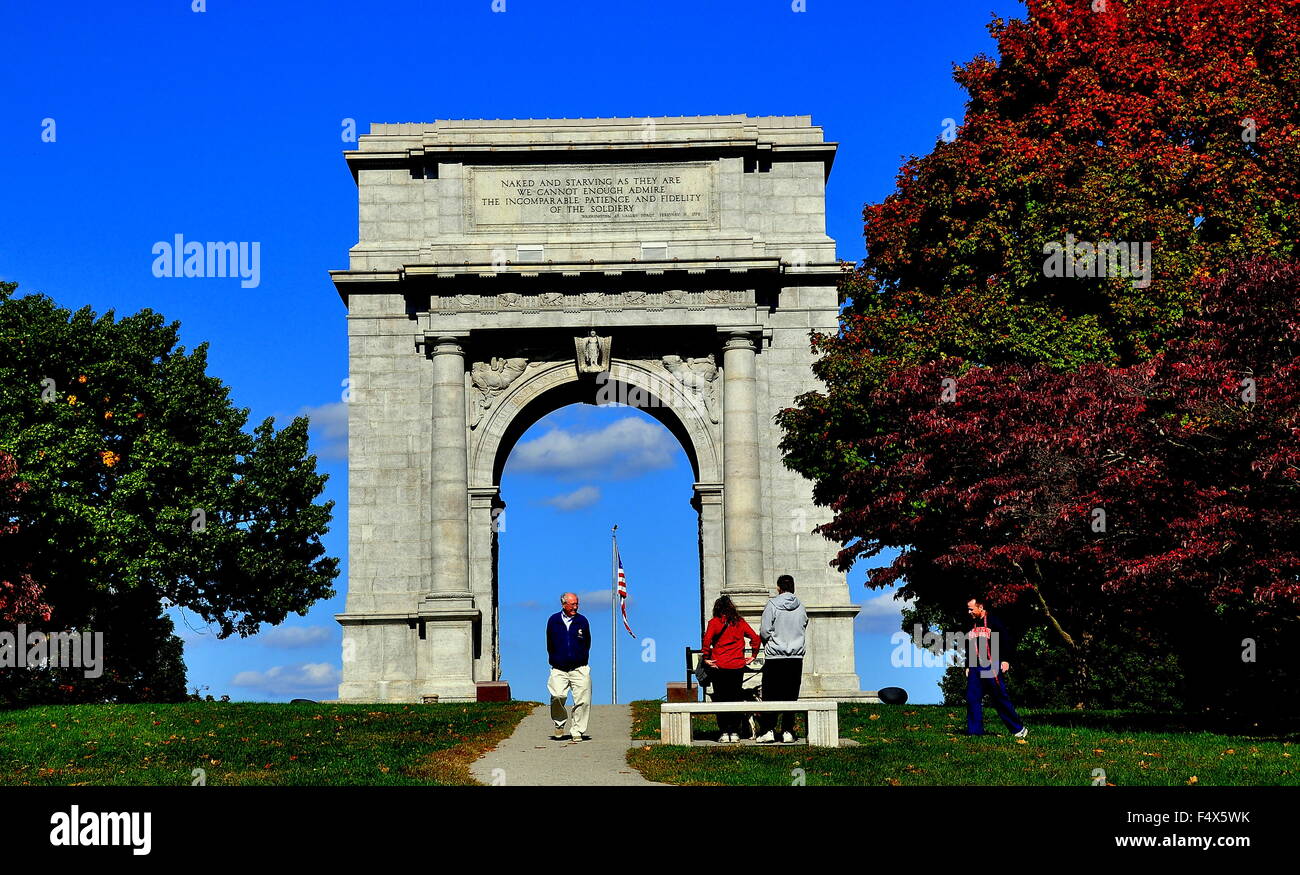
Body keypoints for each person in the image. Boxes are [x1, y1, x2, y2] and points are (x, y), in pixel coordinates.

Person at [965, 597, 1028, 738]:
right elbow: (969, 646)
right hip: (975, 667)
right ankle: (975, 732)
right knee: (972, 698)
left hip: (991, 665)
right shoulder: (970, 625)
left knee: (999, 697)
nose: (969, 612)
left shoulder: (994, 621)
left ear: (980, 608)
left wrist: (1006, 660)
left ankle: (1018, 729)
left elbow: (1006, 640)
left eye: (971, 609)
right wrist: (968, 665)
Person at [701, 595, 761, 743]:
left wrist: (707, 658)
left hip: (719, 666)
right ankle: (734, 731)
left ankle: (723, 732)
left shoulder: (714, 623)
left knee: (721, 699)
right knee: (735, 698)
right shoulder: (739, 622)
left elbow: (707, 641)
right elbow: (755, 638)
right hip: (737, 666)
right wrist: (753, 655)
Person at [756, 574, 807, 743]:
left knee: (771, 694)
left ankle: (768, 729)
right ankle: (787, 730)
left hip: (774, 656)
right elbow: (804, 624)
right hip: (795, 656)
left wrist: (770, 642)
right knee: (791, 694)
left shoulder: (772, 605)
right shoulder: (801, 607)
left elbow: (764, 630)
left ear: (779, 588)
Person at [546, 592, 592, 741]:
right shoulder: (553, 621)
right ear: (563, 604)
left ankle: (577, 730)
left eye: (577, 604)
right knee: (557, 696)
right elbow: (550, 643)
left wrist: (581, 656)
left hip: (579, 667)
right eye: (572, 604)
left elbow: (587, 642)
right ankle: (559, 723)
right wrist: (555, 658)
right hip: (559, 668)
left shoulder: (582, 621)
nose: (575, 607)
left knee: (583, 700)